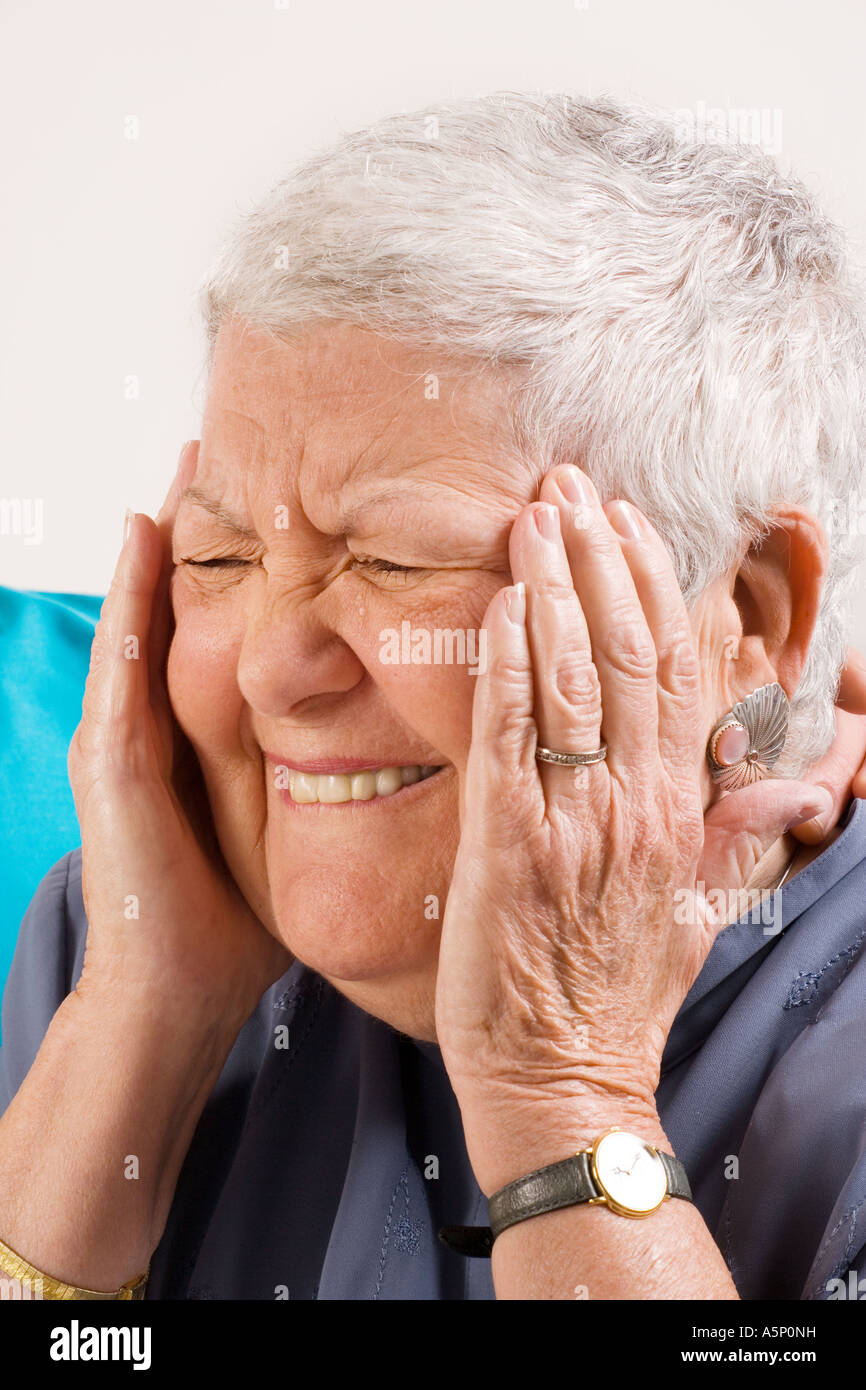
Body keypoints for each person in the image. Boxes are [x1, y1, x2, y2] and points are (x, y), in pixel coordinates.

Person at [2, 91, 866, 1301]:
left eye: (394, 561)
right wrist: (146, 1011)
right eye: (221, 557)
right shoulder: (126, 926)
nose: (266, 668)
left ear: (752, 616)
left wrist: (561, 1095)